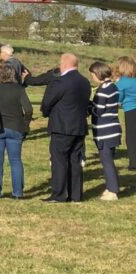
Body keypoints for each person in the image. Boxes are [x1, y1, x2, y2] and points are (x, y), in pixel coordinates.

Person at [39, 53, 91, 203]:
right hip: (79, 126)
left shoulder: (61, 82)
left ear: (64, 64)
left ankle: (59, 194)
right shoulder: (85, 82)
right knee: (75, 160)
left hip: (62, 127)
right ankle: (76, 195)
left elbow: (47, 103)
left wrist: (46, 113)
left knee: (59, 160)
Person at [0, 63, 33, 200]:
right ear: (13, 74)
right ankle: (18, 193)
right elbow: (29, 110)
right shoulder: (19, 89)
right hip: (16, 128)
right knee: (15, 161)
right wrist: (25, 125)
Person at [89, 61, 122, 201]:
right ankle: (110, 187)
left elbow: (98, 110)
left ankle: (113, 191)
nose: (92, 78)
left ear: (98, 74)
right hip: (113, 129)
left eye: (92, 75)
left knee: (106, 160)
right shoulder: (113, 86)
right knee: (108, 160)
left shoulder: (102, 90)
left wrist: (88, 106)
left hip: (105, 131)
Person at [114, 56, 136, 171]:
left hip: (130, 110)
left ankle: (134, 162)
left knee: (131, 136)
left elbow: (118, 98)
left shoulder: (121, 83)